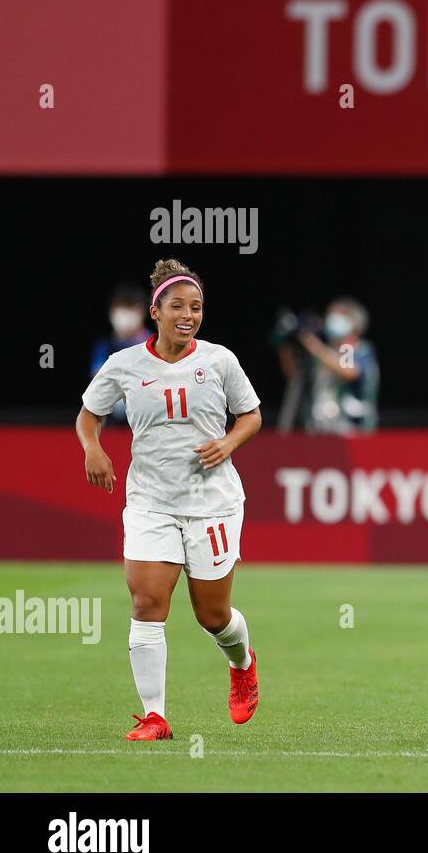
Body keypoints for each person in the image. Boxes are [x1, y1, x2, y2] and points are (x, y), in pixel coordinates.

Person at [75, 259, 264, 741]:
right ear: (154, 311)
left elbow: (251, 415)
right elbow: (88, 415)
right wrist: (93, 448)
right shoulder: (124, 364)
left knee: (212, 615)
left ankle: (241, 662)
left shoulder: (219, 360)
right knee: (146, 602)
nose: (188, 314)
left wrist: (228, 443)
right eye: (177, 306)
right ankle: (155, 717)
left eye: (196, 307)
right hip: (150, 501)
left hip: (212, 502)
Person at [297, 298, 380, 435]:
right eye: (331, 314)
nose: (333, 319)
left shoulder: (361, 350)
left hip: (355, 432)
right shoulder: (325, 353)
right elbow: (296, 380)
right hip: (321, 431)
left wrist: (312, 344)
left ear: (355, 323)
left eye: (341, 315)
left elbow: (348, 371)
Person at [89, 285, 152, 423]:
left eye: (130, 308)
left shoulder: (157, 344)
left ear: (142, 312)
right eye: (121, 308)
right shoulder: (103, 346)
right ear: (111, 312)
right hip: (111, 422)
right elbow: (99, 382)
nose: (125, 316)